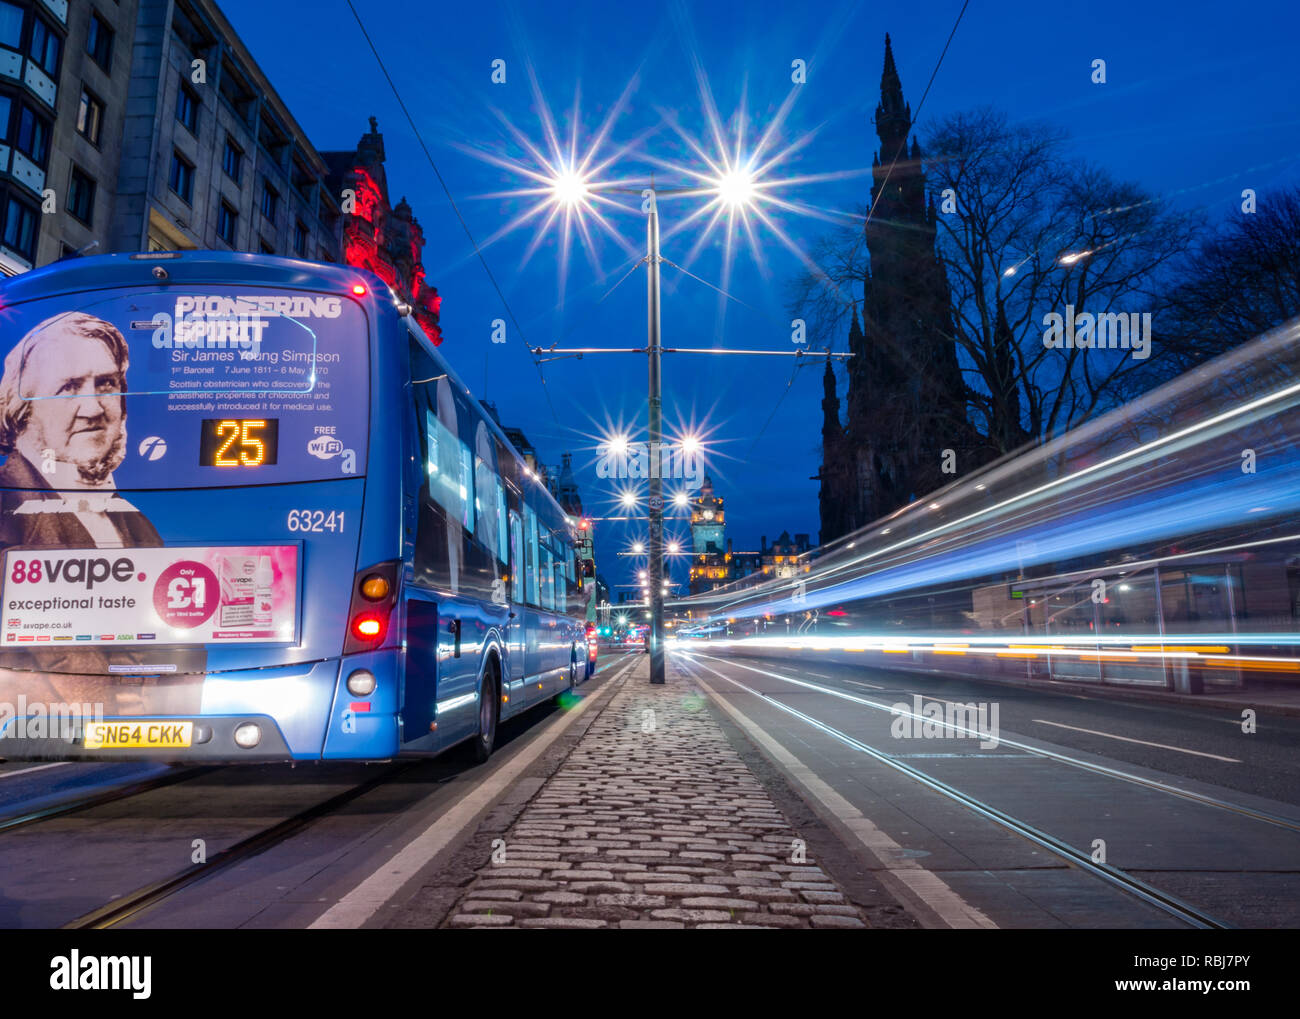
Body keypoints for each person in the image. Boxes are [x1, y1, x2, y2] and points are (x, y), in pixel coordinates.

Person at [0, 312, 198, 721]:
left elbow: (175, 640)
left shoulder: (139, 526)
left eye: (106, 384)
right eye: (68, 388)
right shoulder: (6, 511)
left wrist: (159, 715)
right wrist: (111, 710)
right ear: (25, 411)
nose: (92, 407)